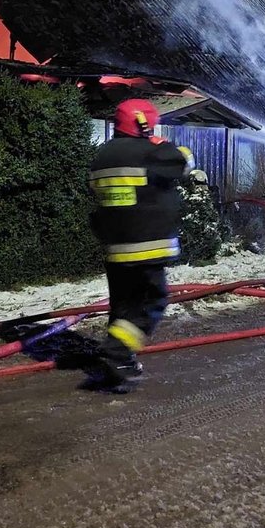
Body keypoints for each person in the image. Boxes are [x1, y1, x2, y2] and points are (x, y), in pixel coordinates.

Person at [80, 98, 193, 392]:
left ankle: (120, 362)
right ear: (143, 123)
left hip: (115, 247)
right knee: (151, 303)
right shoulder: (151, 152)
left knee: (123, 306)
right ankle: (116, 351)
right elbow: (183, 164)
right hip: (149, 244)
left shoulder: (101, 156)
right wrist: (160, 142)